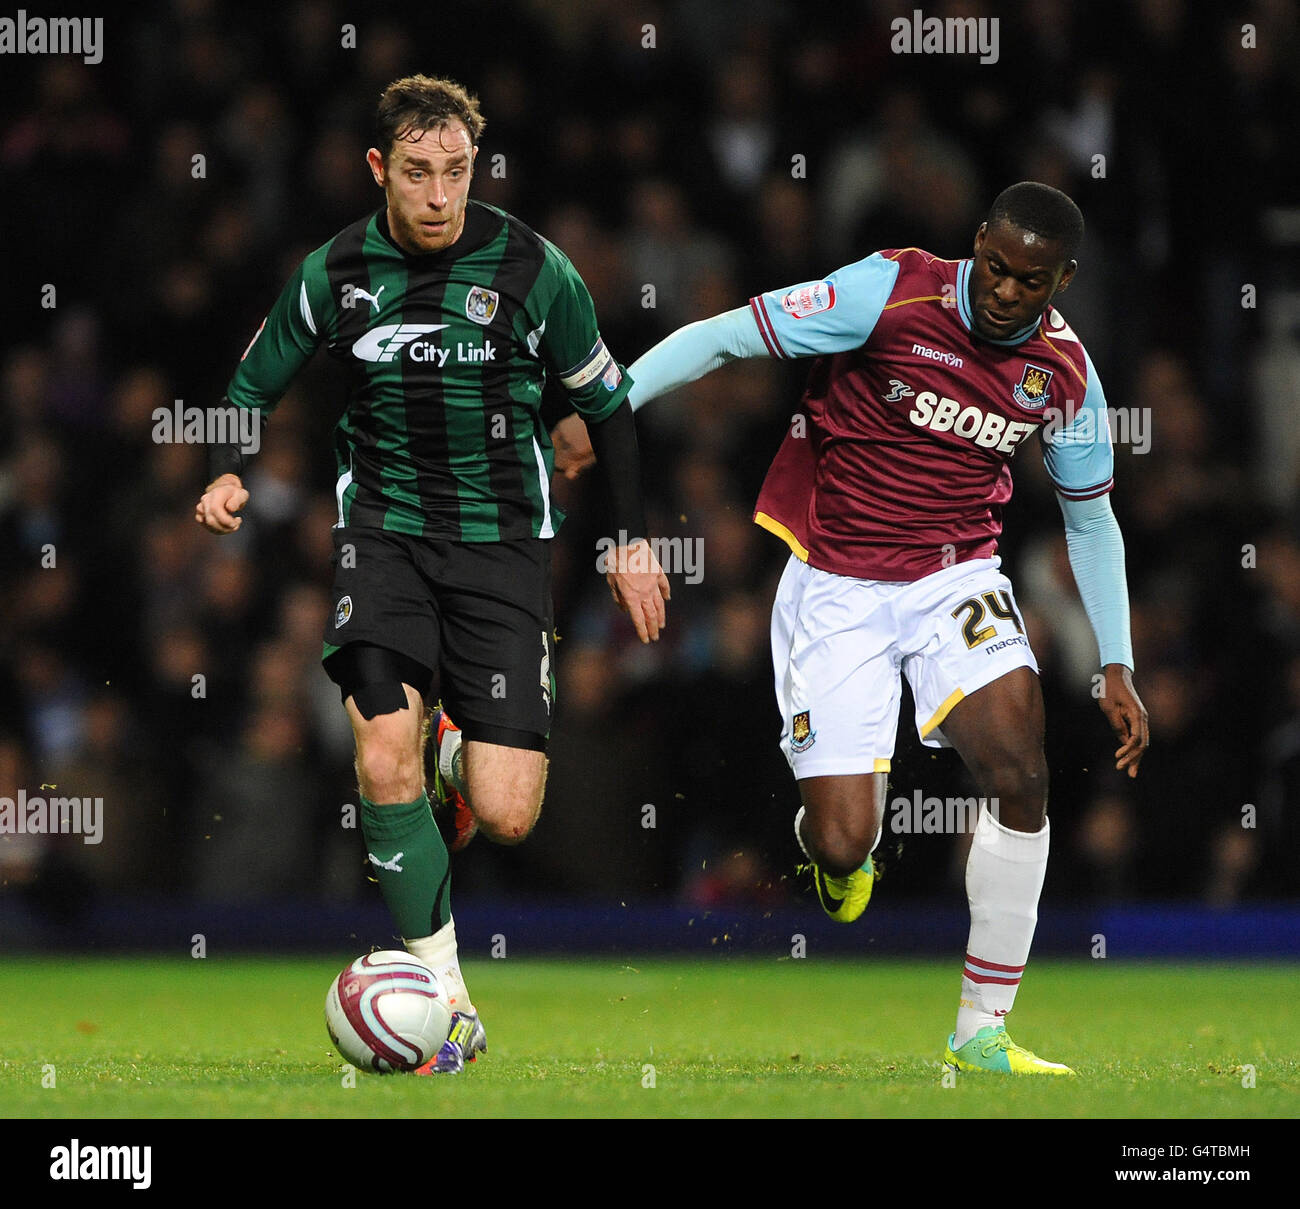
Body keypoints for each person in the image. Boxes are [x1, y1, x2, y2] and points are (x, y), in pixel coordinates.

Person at [195, 75, 668, 1073]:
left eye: (456, 171)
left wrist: (628, 542)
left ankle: (455, 754)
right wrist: (229, 472)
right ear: (379, 170)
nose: (440, 193)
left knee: (504, 811)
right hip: (385, 537)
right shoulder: (332, 273)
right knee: (378, 754)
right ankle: (445, 995)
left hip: (503, 547)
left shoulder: (534, 268)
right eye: (418, 172)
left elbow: (611, 405)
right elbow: (249, 384)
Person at [626, 181, 1148, 1075]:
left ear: (1060, 280)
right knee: (843, 838)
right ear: (976, 241)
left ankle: (982, 1028)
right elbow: (722, 337)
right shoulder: (887, 290)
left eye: (1031, 281)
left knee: (1022, 772)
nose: (1005, 291)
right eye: (994, 266)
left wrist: (1117, 662)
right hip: (836, 586)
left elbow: (1091, 519)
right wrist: (608, 404)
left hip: (957, 579)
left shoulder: (1066, 376)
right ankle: (834, 858)